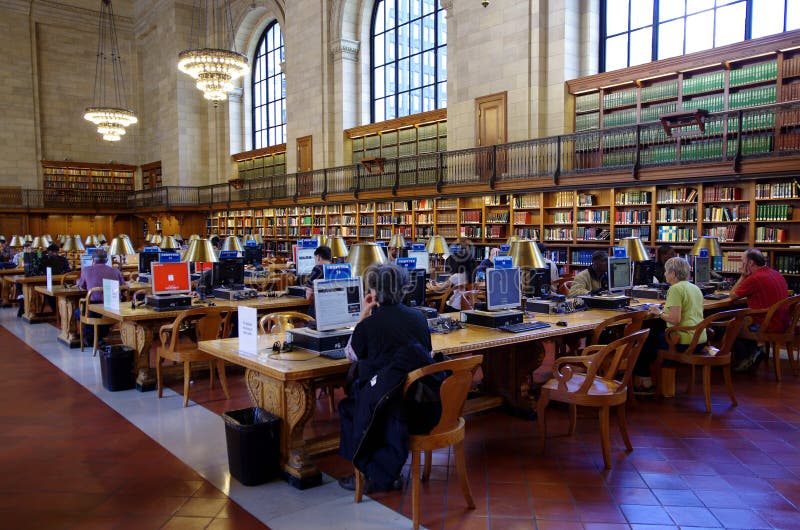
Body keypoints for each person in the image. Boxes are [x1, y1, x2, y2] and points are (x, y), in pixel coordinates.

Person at [338, 263, 435, 493]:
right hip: (417, 403)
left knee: (348, 407)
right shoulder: (419, 318)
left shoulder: (369, 325)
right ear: (403, 289)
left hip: (380, 407)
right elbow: (428, 354)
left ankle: (365, 472)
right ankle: (385, 470)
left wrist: (362, 315)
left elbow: (351, 355)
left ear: (373, 292)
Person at [635, 257, 707, 394]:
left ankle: (645, 382)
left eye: (666, 271)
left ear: (673, 273)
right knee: (654, 337)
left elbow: (675, 319)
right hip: (699, 339)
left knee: (643, 342)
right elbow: (687, 310)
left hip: (683, 340)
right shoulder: (695, 287)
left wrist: (659, 312)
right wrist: (667, 306)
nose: (664, 274)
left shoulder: (675, 289)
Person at [729, 248, 789, 372]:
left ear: (750, 263)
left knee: (732, 326)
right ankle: (754, 352)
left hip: (767, 325)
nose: (741, 264)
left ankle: (747, 359)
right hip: (783, 322)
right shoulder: (775, 273)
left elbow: (732, 296)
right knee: (742, 321)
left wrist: (742, 276)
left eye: (742, 261)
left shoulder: (754, 278)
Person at [75, 249, 127, 347]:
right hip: (114, 309)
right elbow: (123, 287)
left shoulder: (86, 270)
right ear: (107, 260)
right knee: (101, 317)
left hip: (94, 308)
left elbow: (82, 286)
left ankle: (93, 337)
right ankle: (100, 336)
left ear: (92, 260)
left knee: (78, 312)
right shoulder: (115, 271)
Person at [428, 248, 476, 312]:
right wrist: (437, 284)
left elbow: (440, 288)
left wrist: (430, 285)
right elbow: (445, 287)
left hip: (454, 306)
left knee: (430, 301)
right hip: (468, 305)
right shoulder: (473, 276)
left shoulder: (456, 276)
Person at [304, 245, 331, 318]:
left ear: (318, 257)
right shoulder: (334, 268)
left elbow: (308, 296)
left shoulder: (317, 269)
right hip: (332, 312)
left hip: (319, 312)